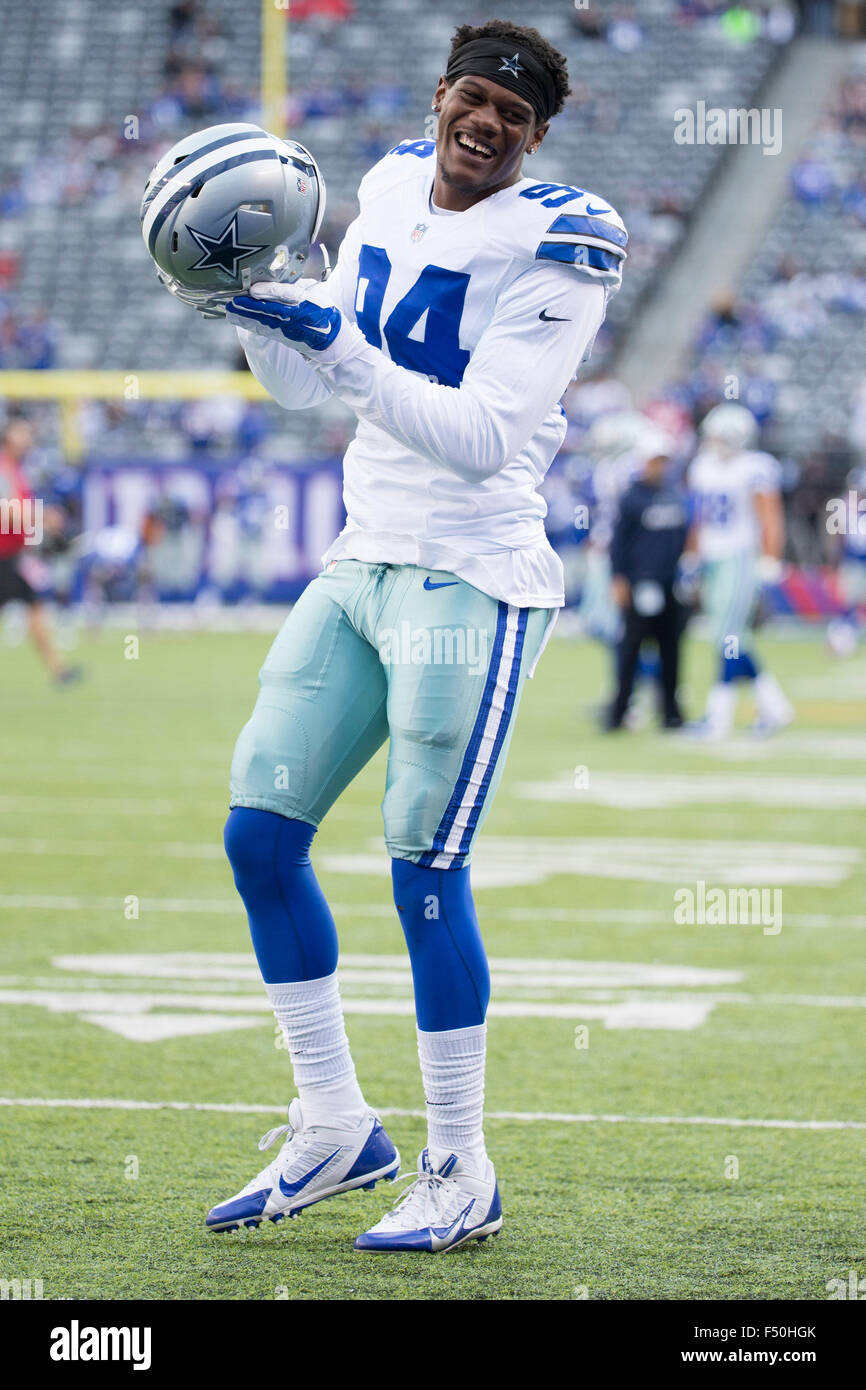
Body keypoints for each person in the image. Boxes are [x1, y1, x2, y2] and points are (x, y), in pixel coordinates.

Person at [208, 20, 627, 1250]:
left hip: (471, 577)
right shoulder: (387, 183)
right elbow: (304, 382)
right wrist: (253, 307)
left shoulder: (562, 235)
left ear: (536, 135)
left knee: (423, 875)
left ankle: (459, 1163)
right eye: (474, 97)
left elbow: (482, 435)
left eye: (513, 113)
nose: (486, 121)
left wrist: (339, 347)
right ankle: (336, 1122)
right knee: (257, 835)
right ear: (440, 95)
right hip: (361, 556)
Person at [685, 403, 793, 737]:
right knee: (730, 636)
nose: (716, 442)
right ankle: (774, 707)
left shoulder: (755, 467)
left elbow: (770, 518)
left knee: (728, 635)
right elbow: (698, 519)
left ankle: (718, 717)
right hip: (713, 558)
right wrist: (691, 557)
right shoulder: (702, 466)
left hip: (741, 556)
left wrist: (770, 560)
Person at [606, 428, 689, 729]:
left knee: (672, 651)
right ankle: (618, 712)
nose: (660, 467)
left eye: (664, 461)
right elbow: (618, 543)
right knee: (630, 651)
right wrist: (618, 579)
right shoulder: (631, 498)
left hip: (670, 584)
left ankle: (671, 714)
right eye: (655, 460)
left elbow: (683, 538)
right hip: (640, 583)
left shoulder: (673, 494)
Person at [0, 417, 80, 684]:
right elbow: (6, 511)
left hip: (12, 556)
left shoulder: (15, 468)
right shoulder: (4, 468)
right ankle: (58, 669)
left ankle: (58, 669)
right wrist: (43, 516)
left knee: (35, 607)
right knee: (34, 607)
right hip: (3, 557)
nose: (28, 438)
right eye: (22, 433)